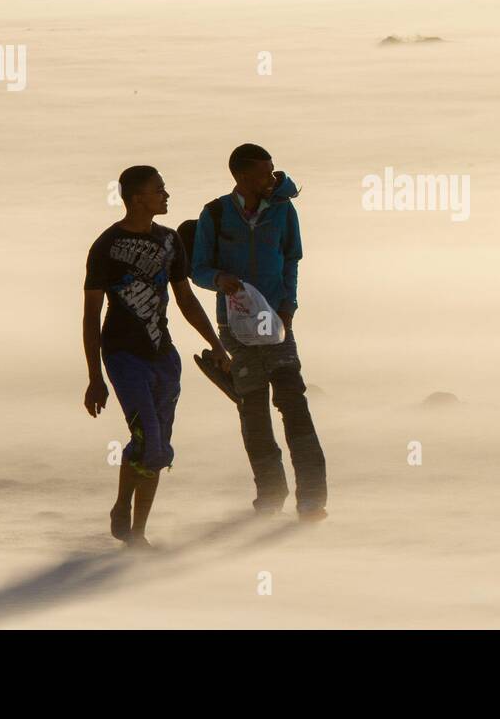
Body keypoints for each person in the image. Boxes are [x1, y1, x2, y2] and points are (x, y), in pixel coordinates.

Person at [82, 165, 229, 547]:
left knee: (156, 446)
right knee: (148, 442)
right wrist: (95, 378)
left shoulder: (170, 241)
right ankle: (132, 529)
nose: (166, 195)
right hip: (123, 355)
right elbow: (90, 315)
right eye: (159, 190)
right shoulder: (106, 247)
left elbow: (185, 299)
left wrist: (216, 344)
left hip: (163, 355)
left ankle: (134, 525)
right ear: (136, 199)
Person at [190, 144, 328, 521]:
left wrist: (289, 307)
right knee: (253, 411)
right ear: (242, 176)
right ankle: (270, 494)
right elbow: (198, 268)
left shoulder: (284, 210)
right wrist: (220, 279)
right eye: (264, 173)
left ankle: (312, 499)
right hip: (235, 327)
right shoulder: (215, 214)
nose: (272, 178)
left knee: (293, 403)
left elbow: (291, 260)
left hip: (276, 323)